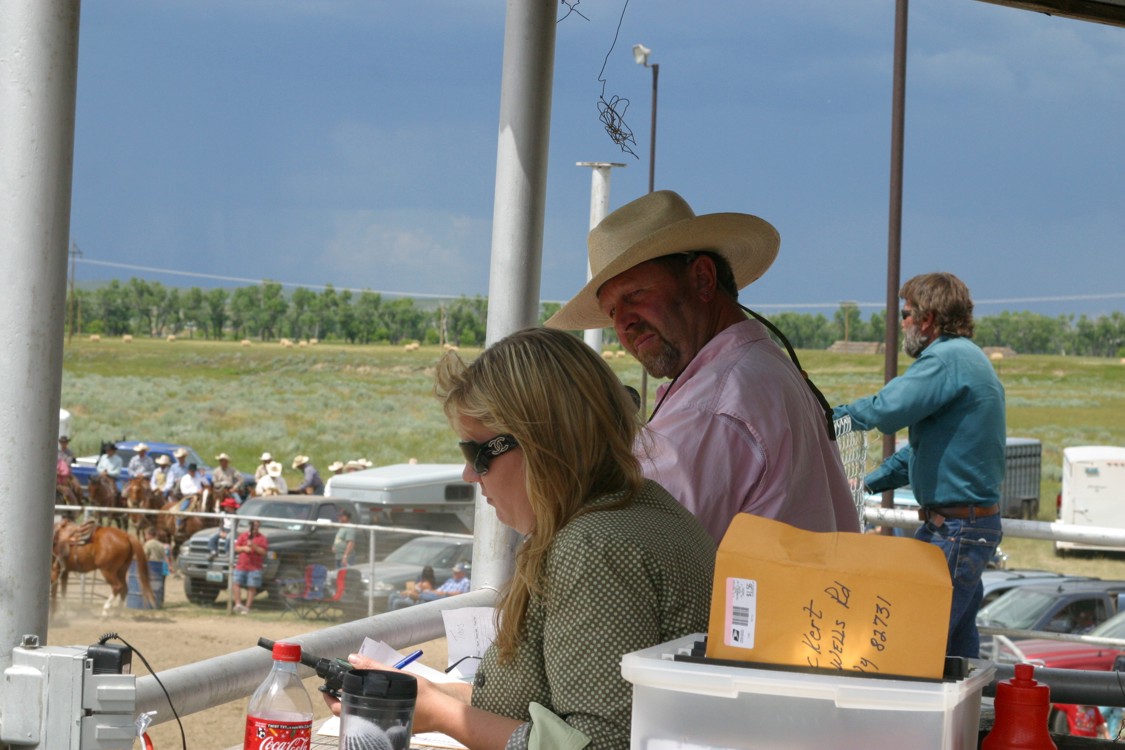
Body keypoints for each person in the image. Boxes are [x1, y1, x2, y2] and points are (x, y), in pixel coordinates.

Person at [326, 327, 716, 750]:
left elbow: (599, 744)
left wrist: (444, 717)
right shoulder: (644, 509)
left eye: (477, 453)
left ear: (542, 443)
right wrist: (428, 698)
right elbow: (545, 706)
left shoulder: (593, 546)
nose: (469, 474)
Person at [545, 189, 858, 543]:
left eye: (635, 295)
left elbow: (632, 546)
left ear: (703, 279)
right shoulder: (764, 368)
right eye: (613, 311)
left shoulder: (711, 406)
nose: (623, 325)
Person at [833, 272, 1005, 660]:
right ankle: (963, 718)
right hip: (965, 527)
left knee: (911, 644)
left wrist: (828, 419)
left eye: (906, 314)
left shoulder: (944, 360)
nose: (903, 322)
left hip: (956, 529)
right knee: (956, 650)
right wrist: (869, 483)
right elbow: (923, 451)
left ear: (927, 319)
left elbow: (886, 409)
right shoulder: (968, 359)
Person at [231, 519, 268, 614]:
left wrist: (254, 547)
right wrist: (244, 548)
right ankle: (238, 604)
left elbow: (264, 552)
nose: (255, 527)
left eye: (257, 526)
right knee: (236, 583)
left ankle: (247, 607)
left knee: (252, 586)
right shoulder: (243, 536)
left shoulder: (262, 538)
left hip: (255, 567)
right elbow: (236, 548)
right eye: (253, 525)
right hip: (241, 565)